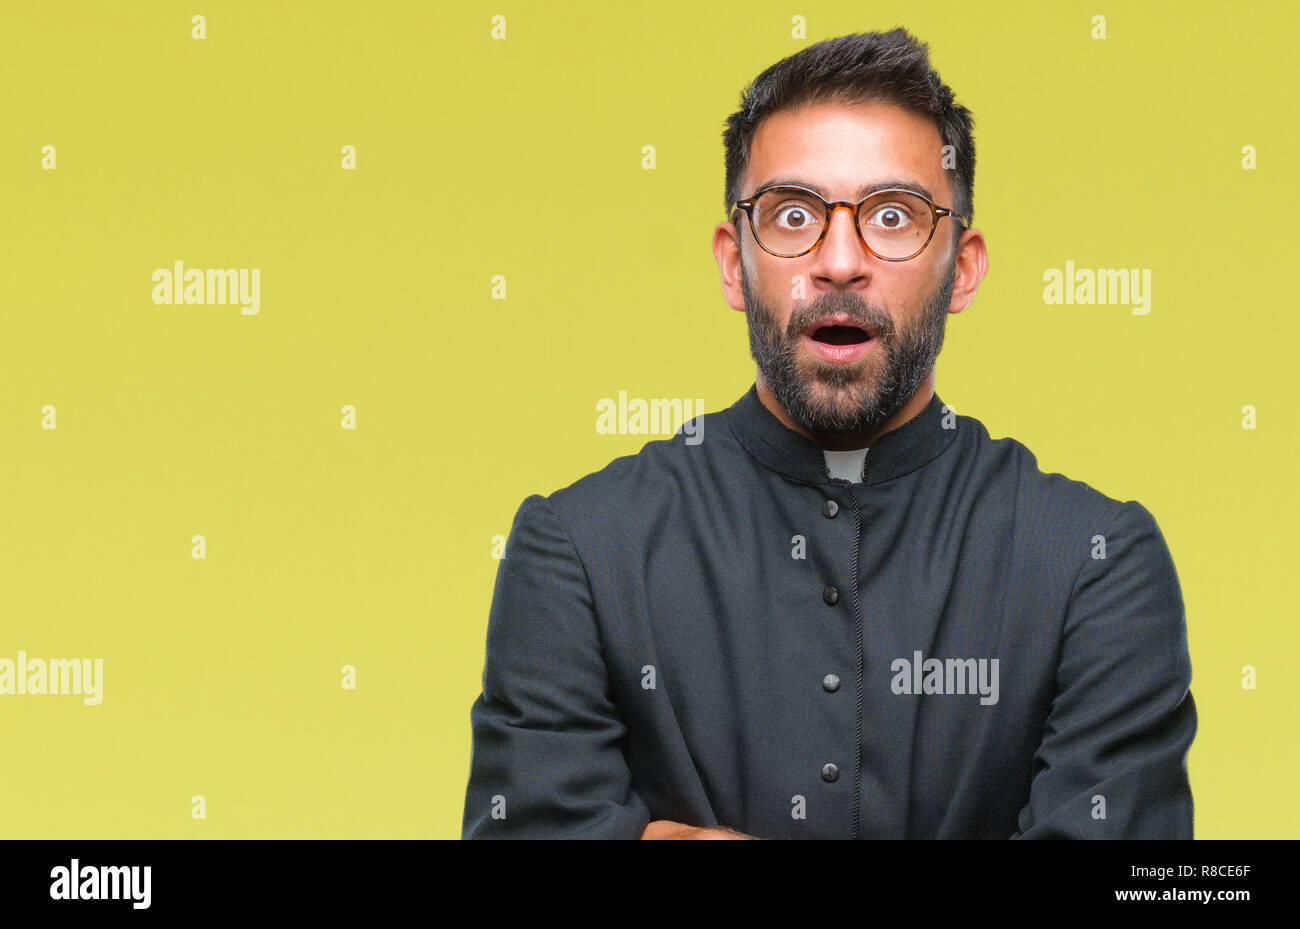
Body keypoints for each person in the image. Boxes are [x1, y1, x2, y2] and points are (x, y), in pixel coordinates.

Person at [462, 28, 1196, 839]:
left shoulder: (1099, 564)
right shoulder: (577, 550)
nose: (839, 261)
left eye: (893, 215)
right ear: (734, 263)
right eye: (792, 214)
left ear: (963, 267)